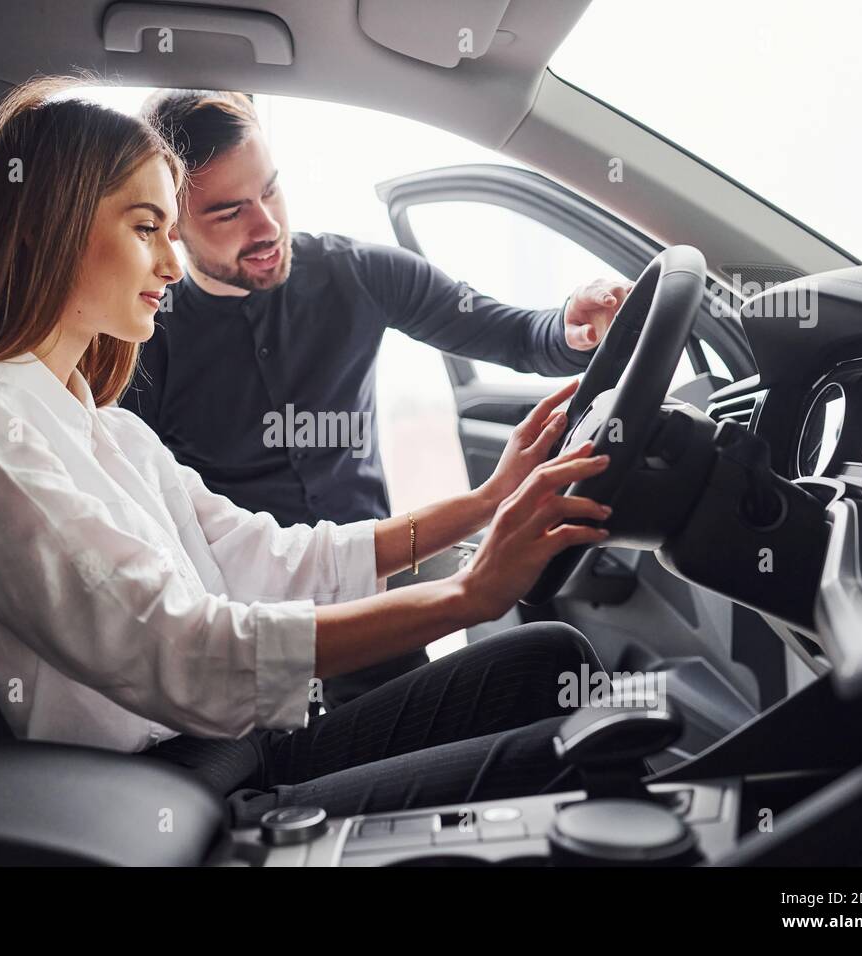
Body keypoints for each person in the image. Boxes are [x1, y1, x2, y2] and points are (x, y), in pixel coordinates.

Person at [0, 75, 613, 828]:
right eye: (146, 228)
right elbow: (182, 650)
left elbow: (275, 560)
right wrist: (469, 594)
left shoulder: (100, 424)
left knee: (546, 664)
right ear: (48, 230)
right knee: (574, 748)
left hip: (232, 745)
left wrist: (486, 506)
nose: (169, 263)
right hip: (152, 802)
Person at [123, 89, 631, 711]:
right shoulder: (144, 338)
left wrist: (574, 323)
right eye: (229, 214)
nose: (267, 227)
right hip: (245, 634)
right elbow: (143, 516)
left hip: (376, 589)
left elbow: (522, 334)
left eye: (272, 191)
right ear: (172, 227)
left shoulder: (356, 272)